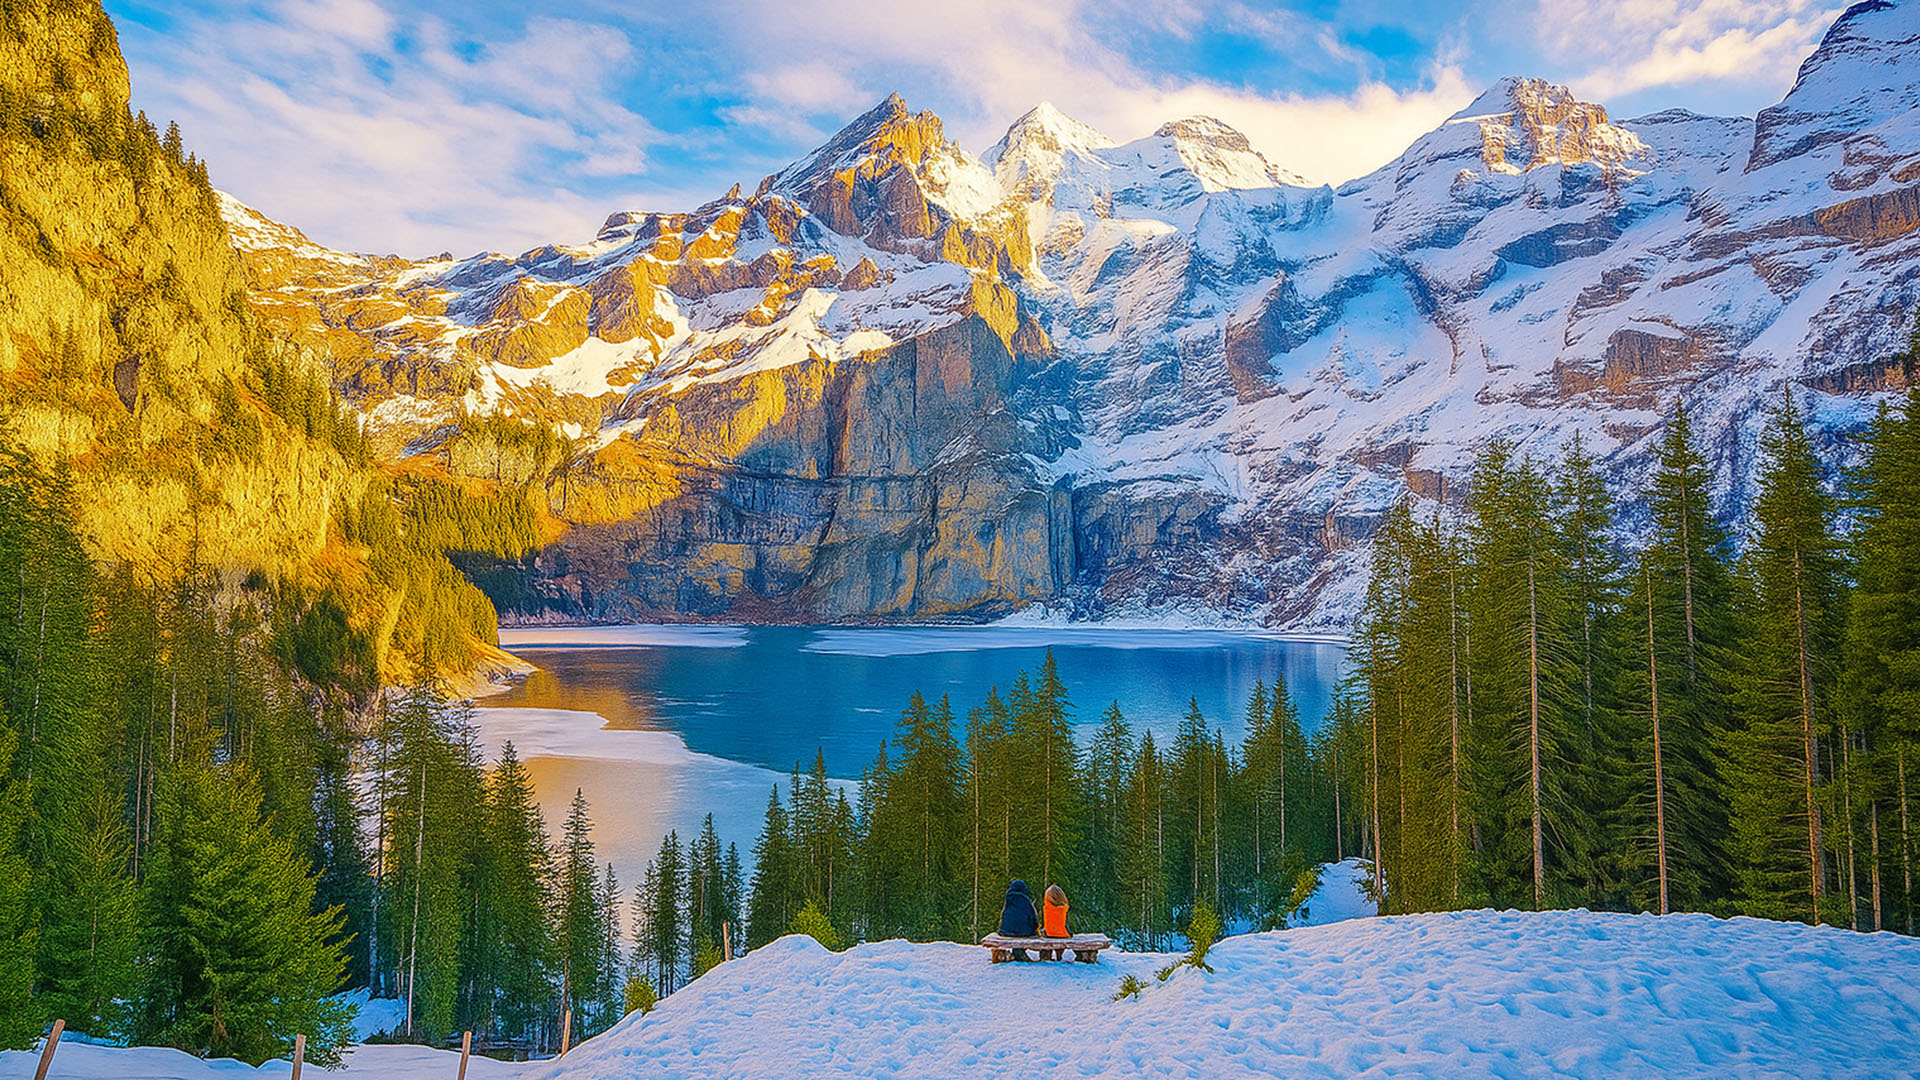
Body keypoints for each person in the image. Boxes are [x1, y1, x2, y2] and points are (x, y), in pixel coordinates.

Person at [997, 879, 1039, 959]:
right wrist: (1034, 929)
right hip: (1024, 932)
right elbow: (1032, 917)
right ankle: (1019, 953)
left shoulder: (1008, 899)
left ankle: (1015, 953)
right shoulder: (1026, 900)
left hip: (1007, 932)